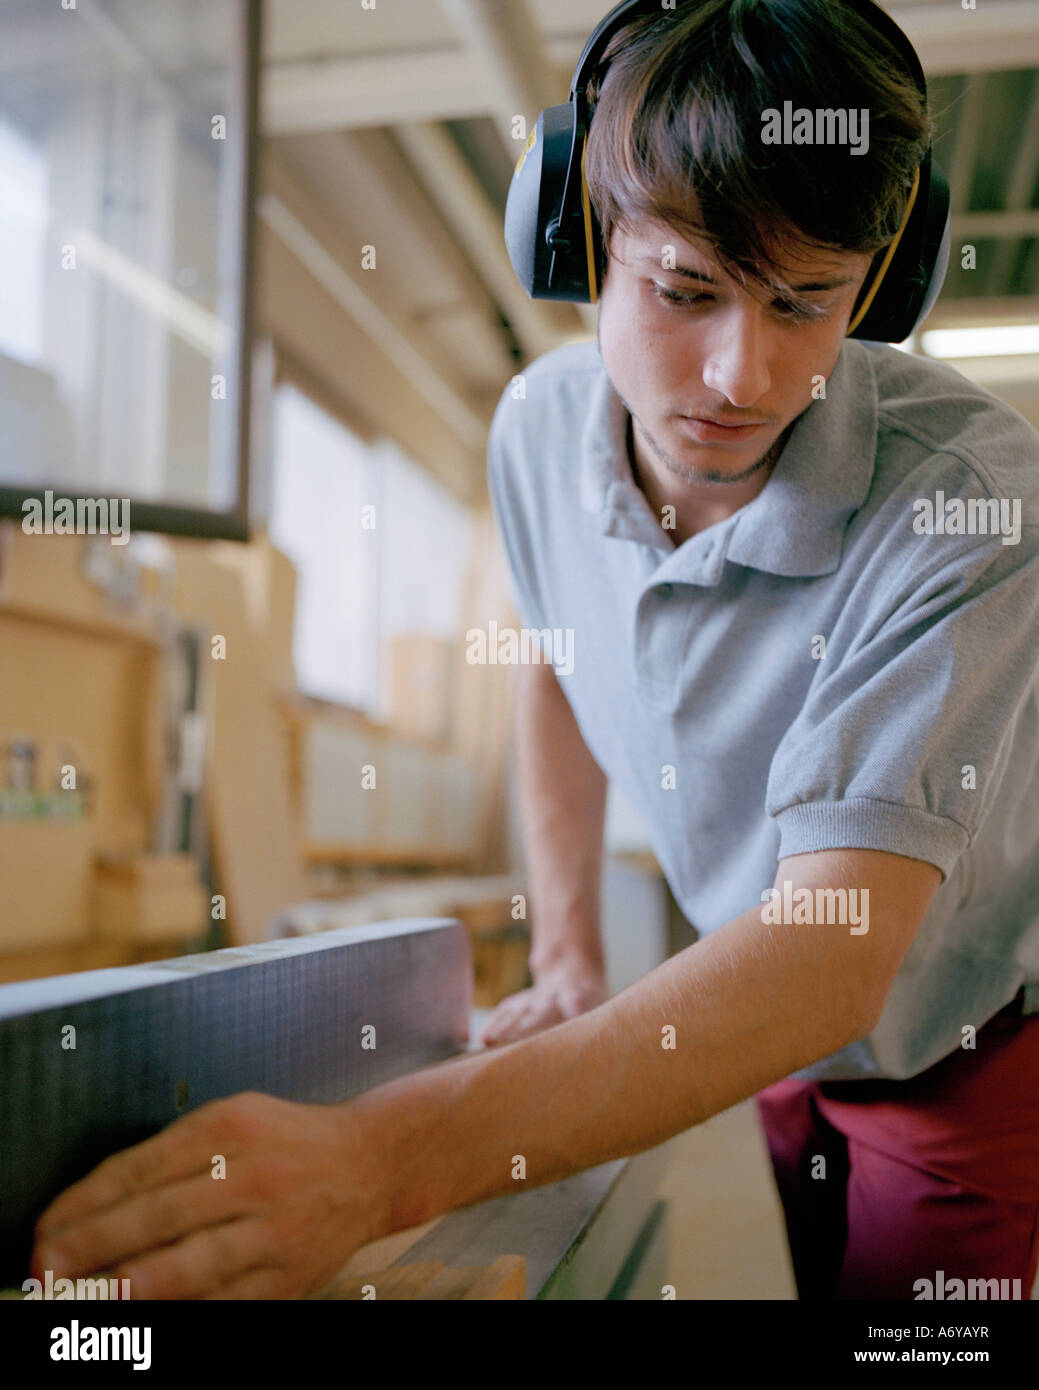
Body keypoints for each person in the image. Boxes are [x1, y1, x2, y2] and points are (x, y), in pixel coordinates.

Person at [30, 0, 1039, 1301]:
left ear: (882, 283)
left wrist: (383, 1161)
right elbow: (561, 661)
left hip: (956, 1049)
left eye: (806, 303)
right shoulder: (534, 433)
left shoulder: (972, 503)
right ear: (577, 239)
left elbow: (827, 955)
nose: (743, 371)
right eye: (687, 289)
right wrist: (566, 953)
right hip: (772, 1031)